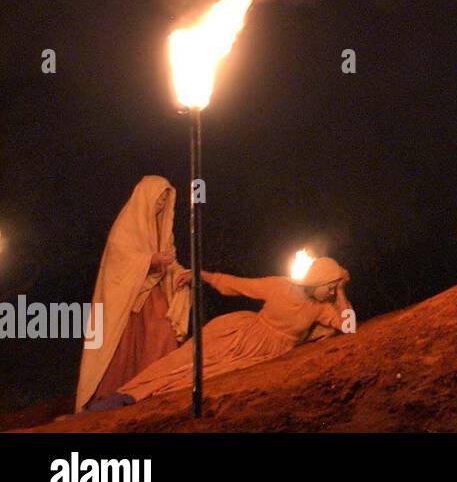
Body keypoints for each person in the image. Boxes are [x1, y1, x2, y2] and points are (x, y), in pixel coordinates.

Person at [85, 257, 352, 410]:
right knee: (182, 360)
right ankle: (116, 399)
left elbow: (348, 326)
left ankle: (132, 400)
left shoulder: (321, 309)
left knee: (192, 377)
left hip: (259, 353)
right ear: (317, 282)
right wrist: (200, 275)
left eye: (334, 289)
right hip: (237, 332)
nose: (331, 293)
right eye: (330, 287)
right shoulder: (279, 286)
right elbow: (235, 285)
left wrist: (340, 292)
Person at [76, 176, 191, 413]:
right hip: (126, 301)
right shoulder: (125, 227)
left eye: (164, 200)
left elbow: (169, 260)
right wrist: (150, 259)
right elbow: (119, 260)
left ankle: (153, 385)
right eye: (158, 199)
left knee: (163, 332)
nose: (161, 204)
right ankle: (112, 396)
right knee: (122, 349)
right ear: (145, 197)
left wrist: (180, 273)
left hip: (151, 295)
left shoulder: (162, 231)